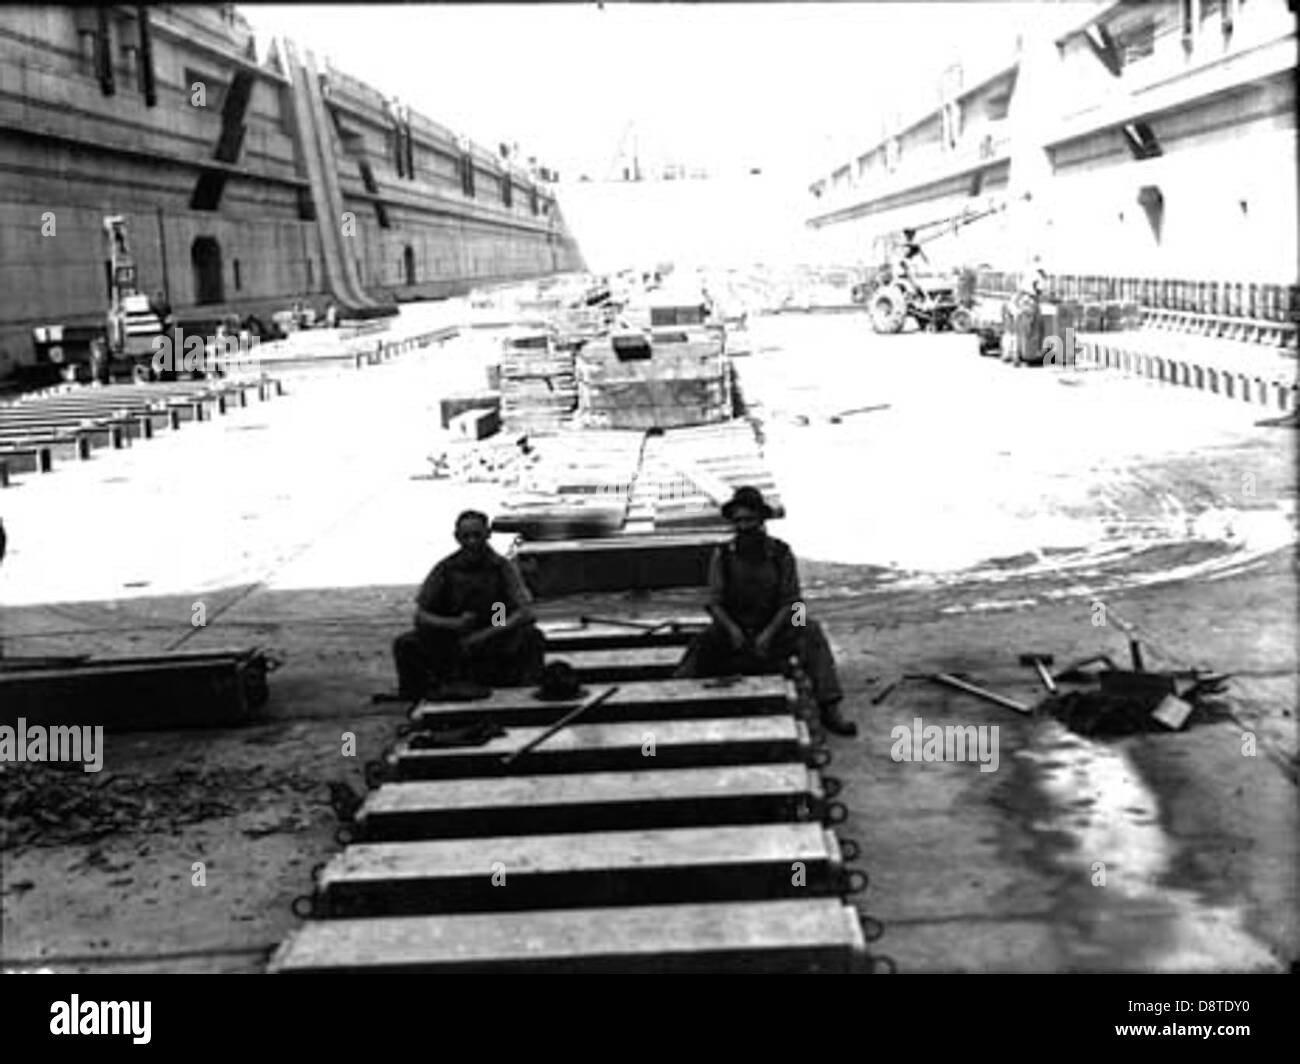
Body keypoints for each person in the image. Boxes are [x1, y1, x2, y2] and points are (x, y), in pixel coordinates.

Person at [675, 487, 857, 737]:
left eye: (749, 520)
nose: (744, 527)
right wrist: (733, 630)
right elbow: (714, 602)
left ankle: (830, 708)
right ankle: (675, 702)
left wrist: (769, 634)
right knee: (701, 646)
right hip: (736, 627)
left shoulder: (780, 552)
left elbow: (792, 601)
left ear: (761, 521)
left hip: (776, 624)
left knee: (810, 627)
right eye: (738, 521)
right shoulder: (723, 555)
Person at [392, 510, 545, 699]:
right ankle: (424, 691)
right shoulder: (445, 568)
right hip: (455, 641)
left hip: (494, 635)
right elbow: (421, 615)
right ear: (457, 537)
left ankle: (526, 691)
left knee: (531, 636)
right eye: (466, 537)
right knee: (406, 644)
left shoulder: (502, 567)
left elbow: (524, 612)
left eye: (477, 535)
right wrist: (452, 624)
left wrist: (485, 634)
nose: (472, 542)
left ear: (488, 534)